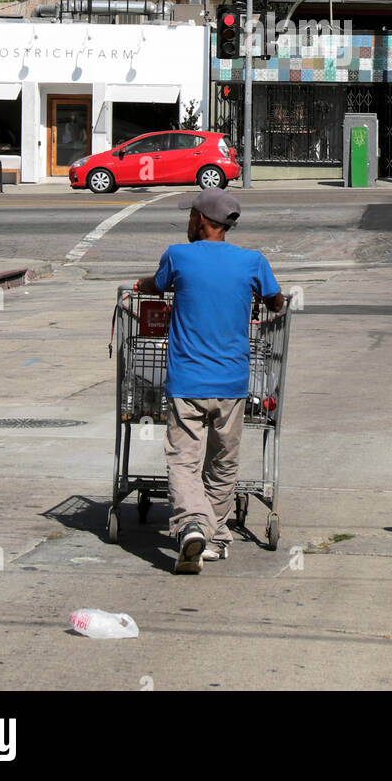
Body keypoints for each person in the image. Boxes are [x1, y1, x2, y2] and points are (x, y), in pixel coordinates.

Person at [135, 189, 284, 573]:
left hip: (187, 382)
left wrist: (140, 284)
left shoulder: (178, 255)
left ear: (201, 220)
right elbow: (275, 300)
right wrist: (269, 303)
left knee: (184, 461)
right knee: (222, 461)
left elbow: (157, 285)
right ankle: (214, 537)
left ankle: (193, 527)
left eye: (190, 216)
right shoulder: (252, 261)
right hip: (232, 384)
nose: (187, 221)